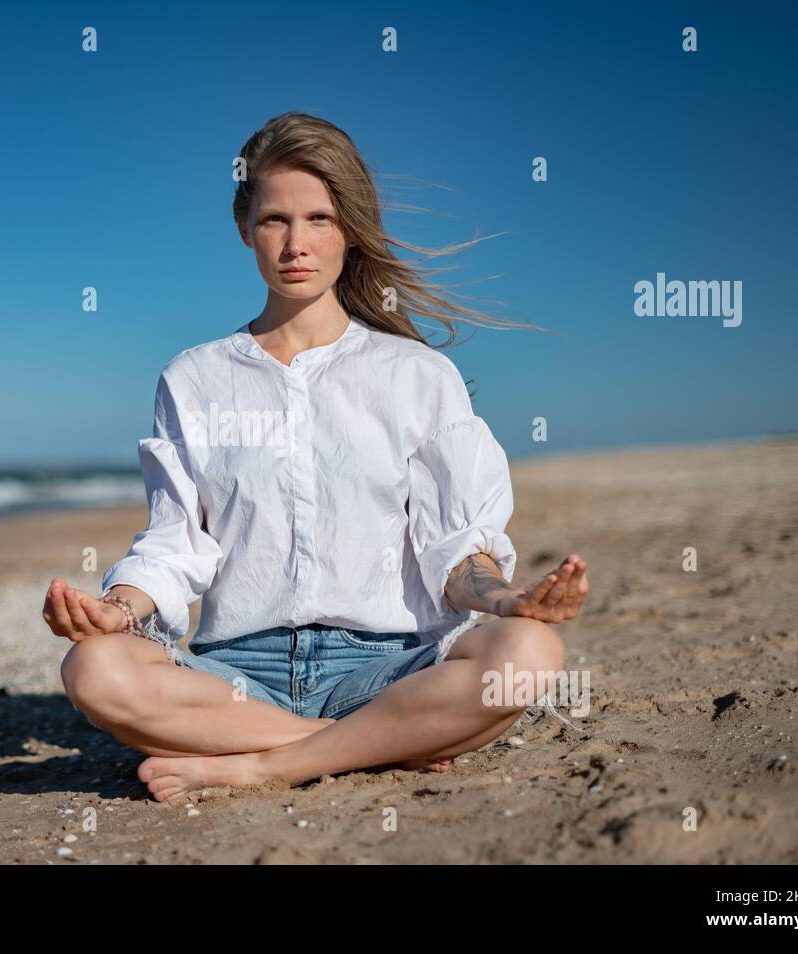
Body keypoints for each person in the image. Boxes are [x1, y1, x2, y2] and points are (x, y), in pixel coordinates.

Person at [43, 112, 588, 803]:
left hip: (389, 670)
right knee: (93, 670)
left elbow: (455, 552)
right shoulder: (194, 377)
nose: (296, 244)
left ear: (350, 230)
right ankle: (376, 743)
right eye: (275, 220)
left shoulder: (416, 375)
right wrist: (118, 610)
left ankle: (260, 763)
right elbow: (176, 543)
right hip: (239, 677)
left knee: (530, 653)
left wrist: (508, 598)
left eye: (320, 220)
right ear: (245, 229)